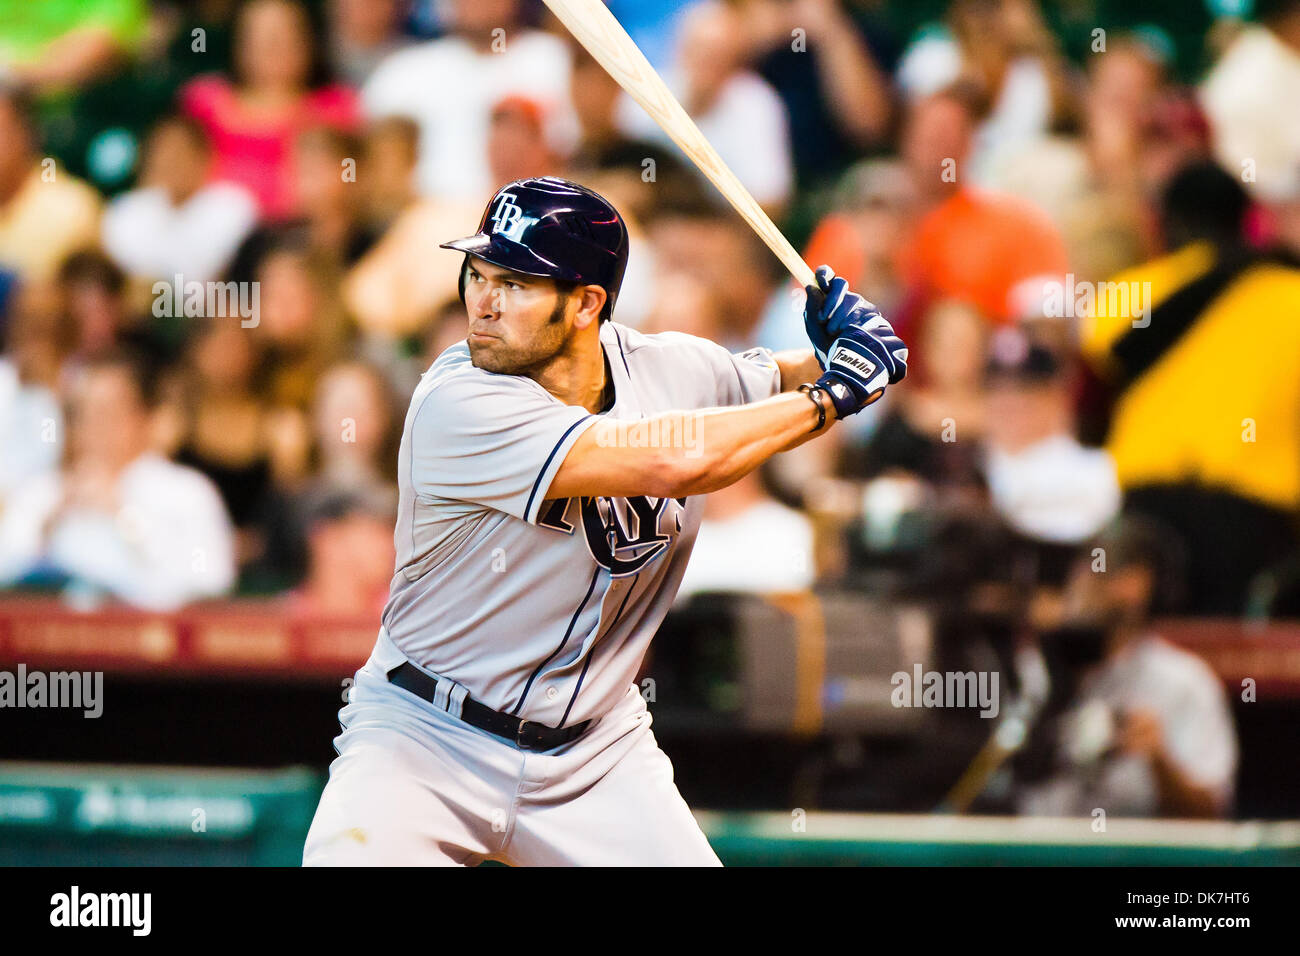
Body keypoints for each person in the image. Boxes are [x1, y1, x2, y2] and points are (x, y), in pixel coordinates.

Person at [303, 177, 908, 866]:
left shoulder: (672, 368)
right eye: (478, 273)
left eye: (518, 283)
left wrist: (850, 348)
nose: (484, 303)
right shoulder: (457, 401)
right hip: (425, 740)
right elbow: (673, 461)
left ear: (588, 302)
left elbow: (780, 379)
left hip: (594, 752)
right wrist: (833, 395)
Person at [1015, 518, 1238, 819]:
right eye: (1078, 572)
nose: (1079, 586)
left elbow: (1212, 814)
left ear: (1139, 583)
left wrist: (1159, 761)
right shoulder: (1035, 668)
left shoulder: (1184, 681)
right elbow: (997, 778)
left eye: (1097, 573)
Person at [0, 350, 236, 611]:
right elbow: (7, 573)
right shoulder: (43, 492)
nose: (94, 426)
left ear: (145, 416)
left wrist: (124, 516)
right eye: (82, 413)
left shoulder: (187, 493)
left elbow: (211, 581)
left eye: (108, 412)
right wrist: (46, 527)